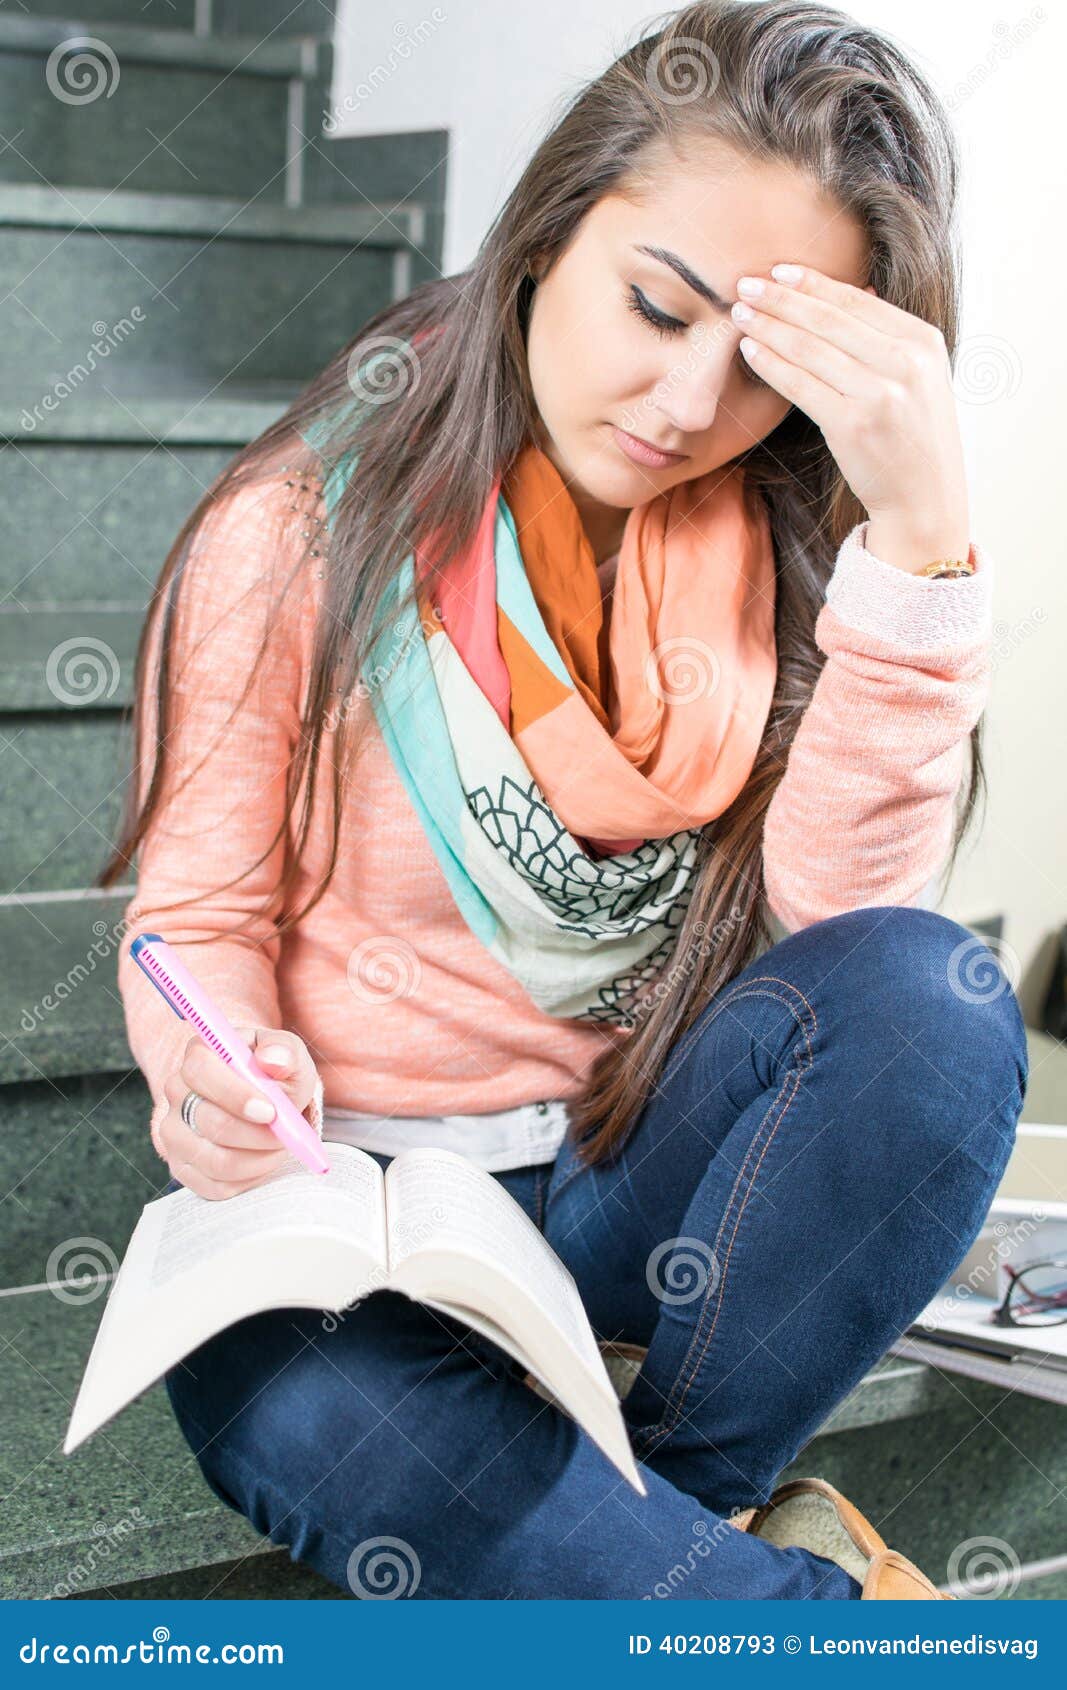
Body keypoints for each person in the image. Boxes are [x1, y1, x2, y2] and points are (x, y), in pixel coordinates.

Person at [101, 0, 1028, 1599]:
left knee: (938, 1003)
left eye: (757, 374)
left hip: (620, 1217)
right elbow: (198, 919)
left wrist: (922, 533)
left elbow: (842, 937)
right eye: (656, 309)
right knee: (323, 1409)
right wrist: (216, 1060)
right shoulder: (298, 532)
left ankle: (606, 1546)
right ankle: (776, 1593)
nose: (686, 405)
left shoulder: (787, 560)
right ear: (550, 229)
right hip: (357, 1233)